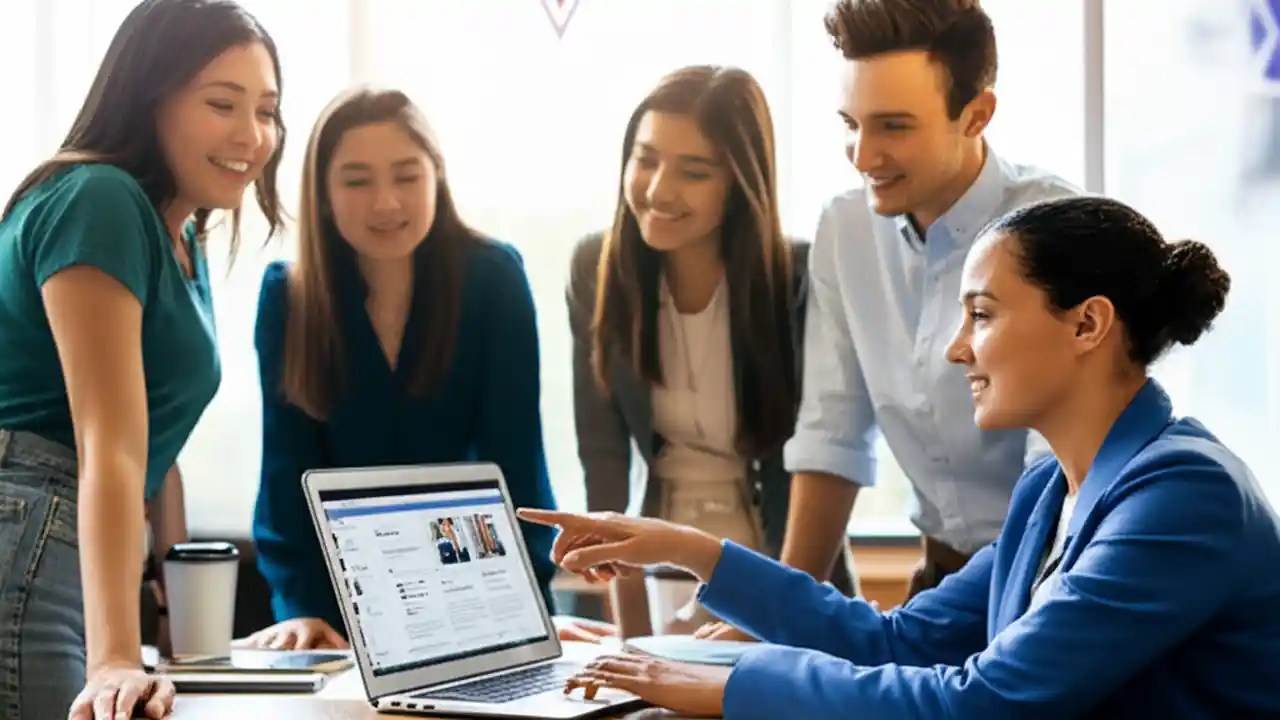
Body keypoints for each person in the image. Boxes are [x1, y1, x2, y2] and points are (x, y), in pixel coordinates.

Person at [522, 195, 1280, 719]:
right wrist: (690, 550)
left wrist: (731, 686)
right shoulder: (1049, 490)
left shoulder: (1185, 497)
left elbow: (985, 703)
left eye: (981, 315)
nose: (957, 348)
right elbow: (898, 641)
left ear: (1087, 325)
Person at [697, 0, 1082, 642]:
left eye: (893, 127)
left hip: (1046, 578)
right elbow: (833, 434)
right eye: (851, 124)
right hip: (940, 577)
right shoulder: (845, 229)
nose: (862, 154)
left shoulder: (1056, 226)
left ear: (976, 114)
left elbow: (1060, 475)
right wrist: (775, 616)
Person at [0, 1, 284, 718]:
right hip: (30, 518)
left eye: (267, 111)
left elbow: (156, 445)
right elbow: (109, 442)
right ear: (149, 95)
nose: (252, 136)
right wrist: (115, 658)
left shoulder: (178, 235)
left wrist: (168, 602)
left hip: (74, 537)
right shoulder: (99, 199)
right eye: (222, 103)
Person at [239, 87, 558, 651]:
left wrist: (524, 606)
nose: (386, 203)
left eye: (407, 176)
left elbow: (518, 465)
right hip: (338, 610)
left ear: (437, 176)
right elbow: (286, 478)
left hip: (475, 595)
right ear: (323, 195)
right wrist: (302, 608)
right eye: (357, 181)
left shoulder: (494, 279)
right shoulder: (289, 298)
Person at [565, 64, 856, 638]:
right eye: (645, 160)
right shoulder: (597, 269)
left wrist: (776, 614)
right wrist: (631, 639)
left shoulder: (798, 278)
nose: (658, 190)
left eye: (694, 172)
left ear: (741, 181)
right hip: (656, 569)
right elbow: (604, 460)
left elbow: (819, 460)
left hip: (776, 572)